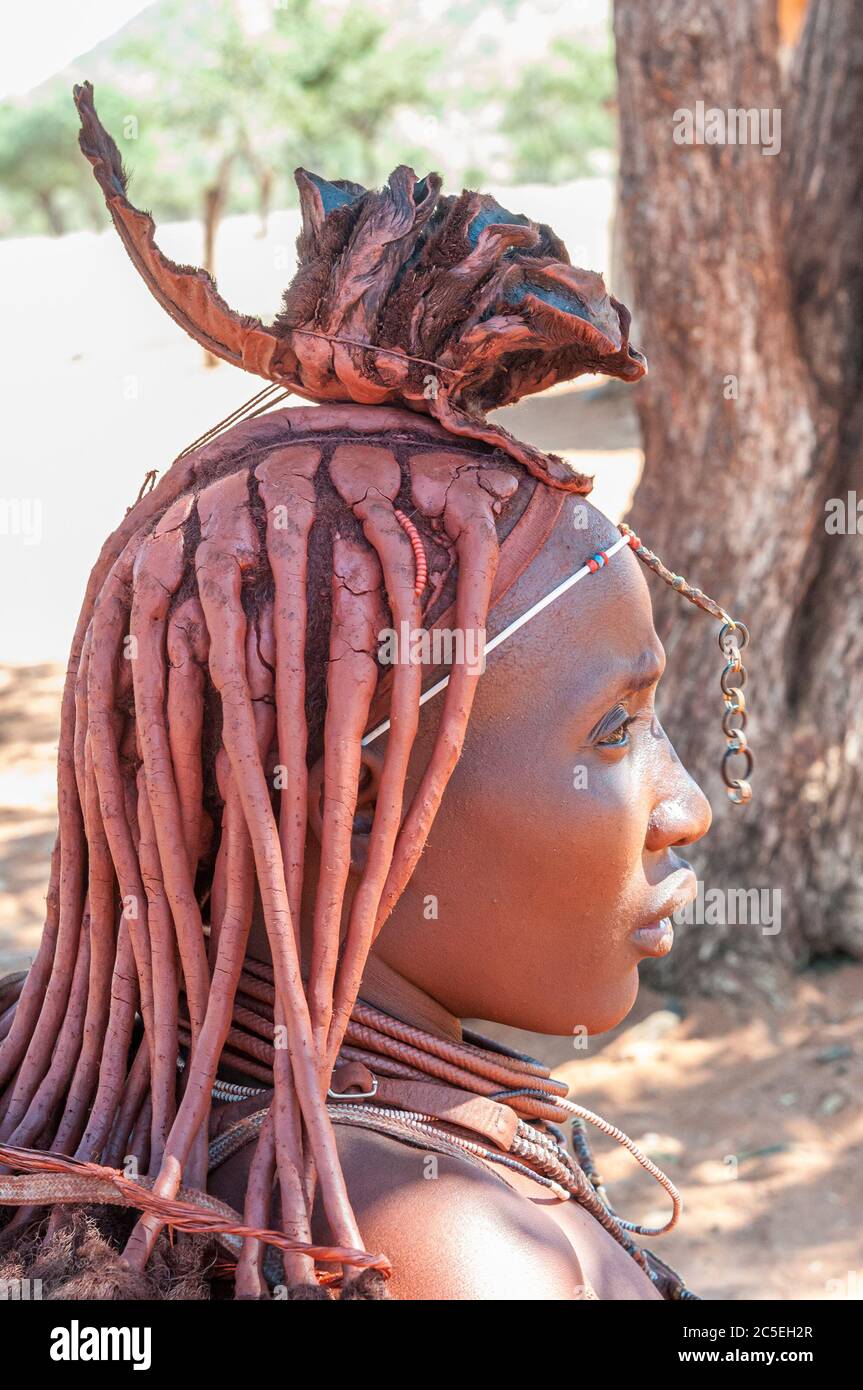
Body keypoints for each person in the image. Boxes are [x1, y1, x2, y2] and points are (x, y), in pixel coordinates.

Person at [0, 83, 752, 1301]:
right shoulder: (447, 1252)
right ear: (352, 797)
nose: (685, 808)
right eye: (612, 729)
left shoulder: (167, 1101)